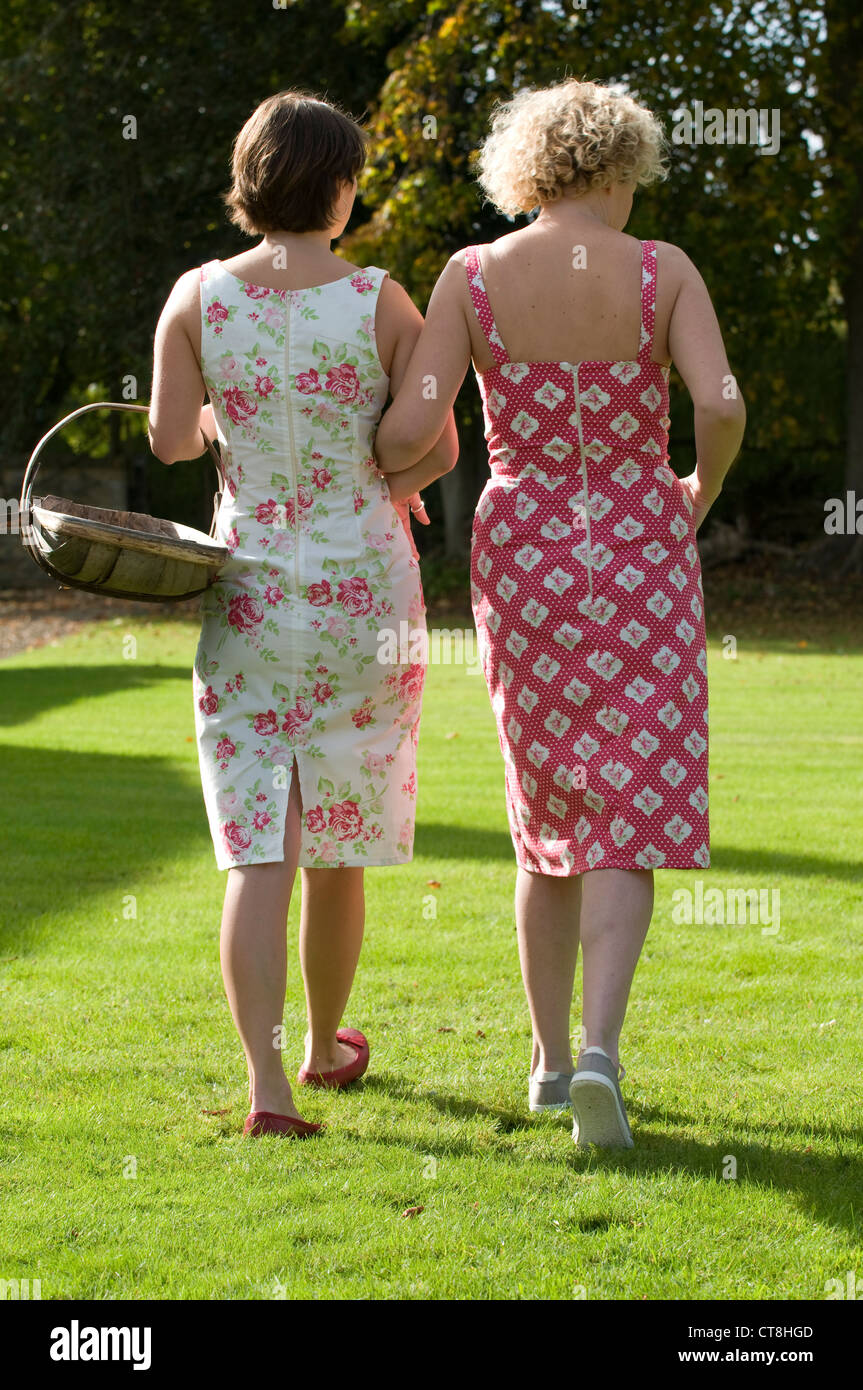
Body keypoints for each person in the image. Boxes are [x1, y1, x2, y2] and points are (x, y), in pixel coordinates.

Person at [375, 78, 745, 1148]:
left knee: (546, 811)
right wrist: (694, 488)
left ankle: (542, 1066)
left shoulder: (469, 274)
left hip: (524, 547)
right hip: (637, 540)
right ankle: (598, 1053)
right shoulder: (660, 269)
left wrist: (352, 454)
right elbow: (717, 403)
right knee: (626, 809)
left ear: (527, 172)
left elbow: (412, 425)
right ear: (620, 169)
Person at [148, 91, 458, 1139]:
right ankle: (329, 1045)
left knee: (258, 844)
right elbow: (437, 445)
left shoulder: (196, 295)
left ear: (249, 179)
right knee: (340, 837)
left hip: (247, 587)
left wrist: (218, 416)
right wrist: (382, 465)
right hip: (363, 591)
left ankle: (267, 1087)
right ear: (337, 187)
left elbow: (170, 444)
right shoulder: (378, 299)